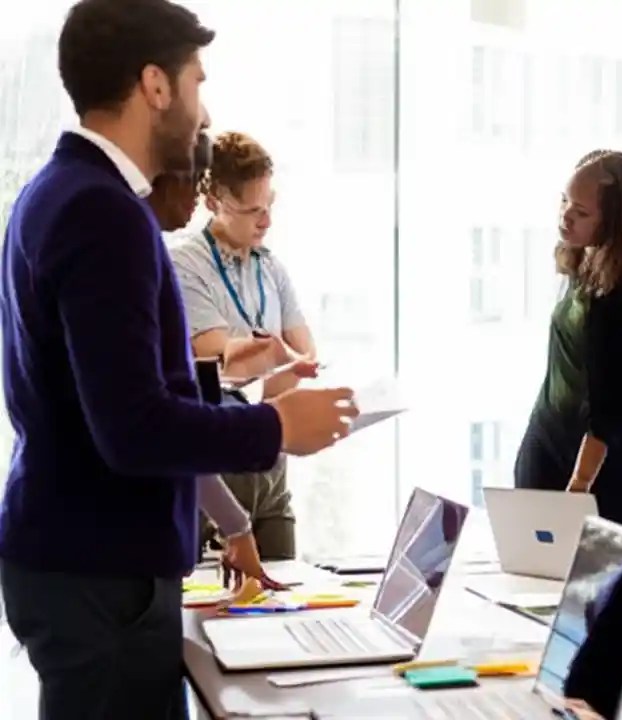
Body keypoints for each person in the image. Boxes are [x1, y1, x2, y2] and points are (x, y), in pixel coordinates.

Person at [0, 2, 357, 718]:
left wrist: (237, 400)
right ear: (155, 85)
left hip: (76, 560)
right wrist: (274, 428)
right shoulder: (104, 212)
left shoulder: (58, 191)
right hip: (102, 572)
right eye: (196, 82)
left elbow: (110, 394)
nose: (201, 114)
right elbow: (131, 428)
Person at [169, 130, 315, 559]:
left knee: (287, 599)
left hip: (271, 470)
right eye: (252, 210)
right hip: (216, 476)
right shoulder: (185, 264)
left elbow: (305, 353)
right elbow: (216, 358)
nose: (265, 221)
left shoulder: (271, 268)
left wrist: (268, 361)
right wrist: (269, 361)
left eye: (269, 206)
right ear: (213, 200)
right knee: (211, 611)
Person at [514, 150, 622, 533]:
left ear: (613, 221)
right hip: (550, 437)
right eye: (565, 201)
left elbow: (615, 410)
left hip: (599, 464)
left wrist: (579, 485)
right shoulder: (584, 259)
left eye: (582, 212)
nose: (566, 215)